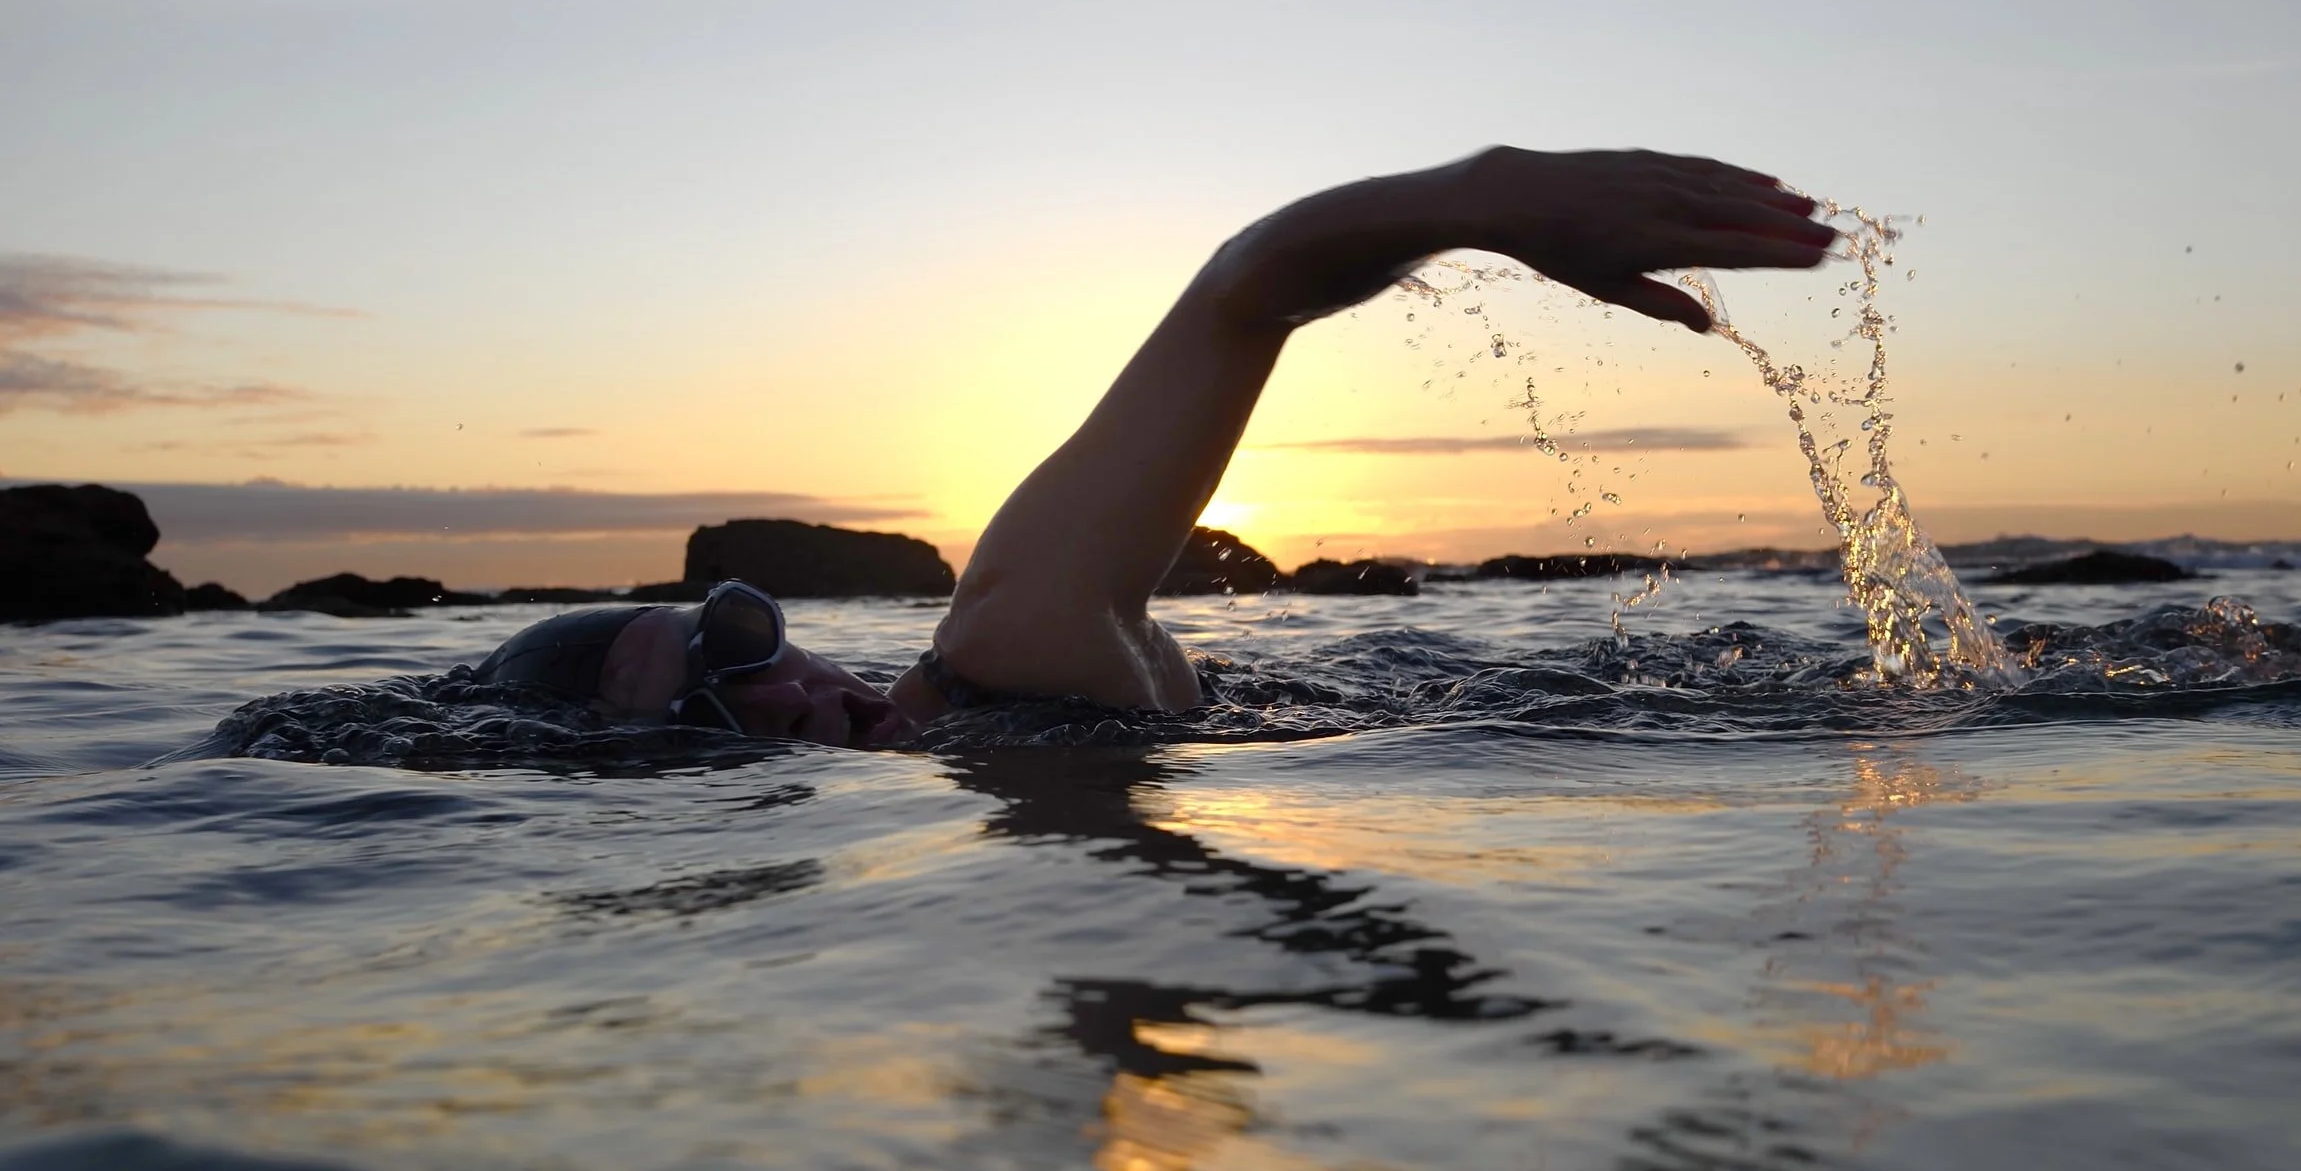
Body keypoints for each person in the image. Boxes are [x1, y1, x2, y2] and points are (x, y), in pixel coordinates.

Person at [475, 146, 1836, 747]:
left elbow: (1245, 288)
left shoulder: (1013, 641)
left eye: (743, 630)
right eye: (706, 705)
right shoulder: (997, 742)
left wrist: (1485, 197)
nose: (773, 694)